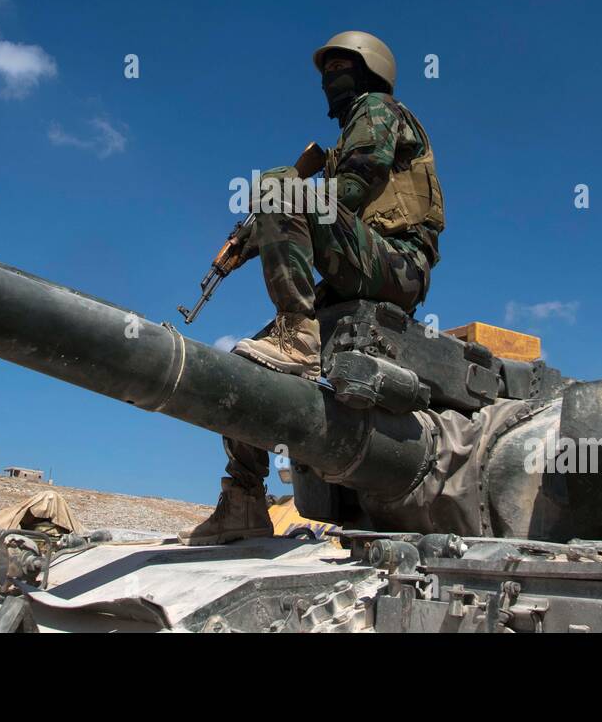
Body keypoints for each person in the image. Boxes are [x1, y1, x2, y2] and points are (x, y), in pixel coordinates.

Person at [179, 30, 446, 545]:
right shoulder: (344, 137)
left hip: (399, 265)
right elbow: (320, 205)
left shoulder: (379, 109)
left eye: (339, 68)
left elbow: (353, 187)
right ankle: (243, 499)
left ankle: (299, 337)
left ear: (368, 72)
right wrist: (252, 235)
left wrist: (279, 200)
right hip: (361, 267)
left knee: (280, 189)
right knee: (246, 370)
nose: (329, 79)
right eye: (324, 72)